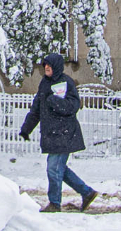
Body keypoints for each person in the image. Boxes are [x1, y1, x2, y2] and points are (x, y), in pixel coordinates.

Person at [18, 51, 98, 213]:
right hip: (52, 135)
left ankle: (54, 203)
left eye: (49, 65)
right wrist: (26, 128)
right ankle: (87, 192)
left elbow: (73, 106)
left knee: (53, 168)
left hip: (65, 134)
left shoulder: (66, 82)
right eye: (45, 65)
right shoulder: (44, 83)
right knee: (59, 169)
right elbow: (36, 109)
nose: (46, 67)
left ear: (56, 66)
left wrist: (55, 101)